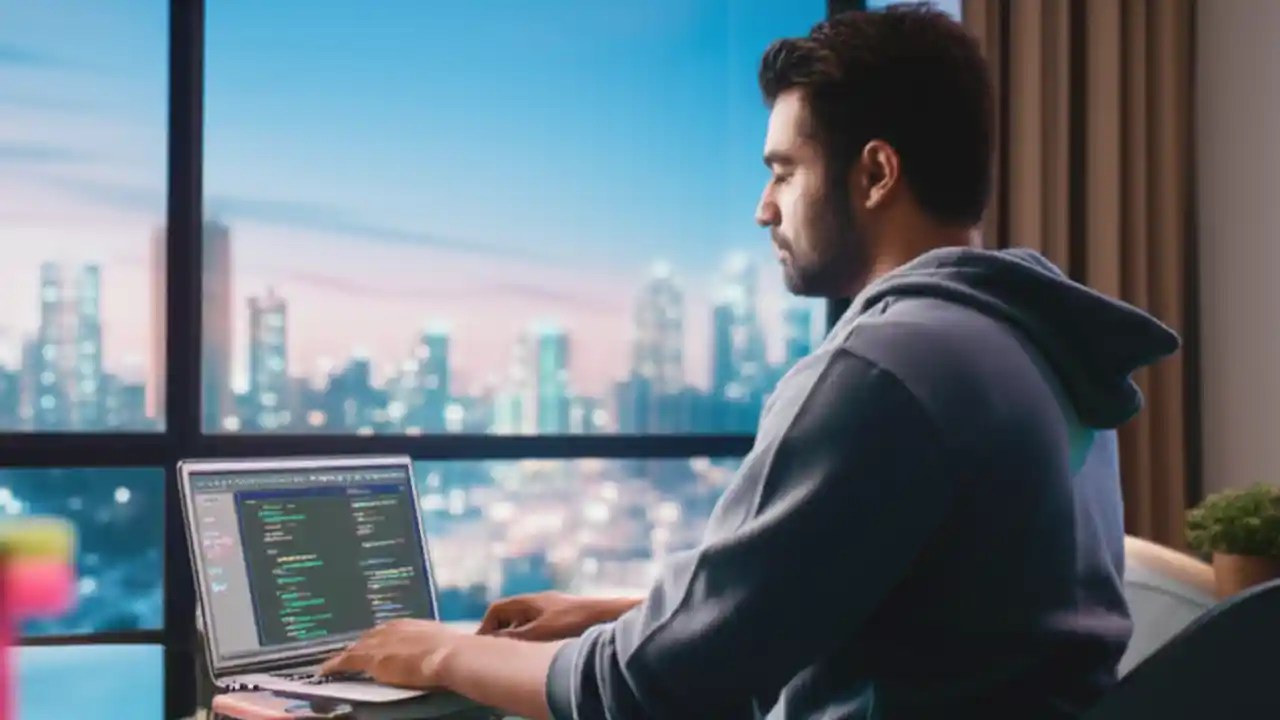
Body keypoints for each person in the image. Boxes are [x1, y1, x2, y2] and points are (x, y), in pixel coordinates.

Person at [319, 5, 1180, 718]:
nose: (762, 208)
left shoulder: (887, 370)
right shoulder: (1035, 341)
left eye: (784, 171)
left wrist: (438, 654)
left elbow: (648, 688)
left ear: (875, 172)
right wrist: (622, 612)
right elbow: (923, 603)